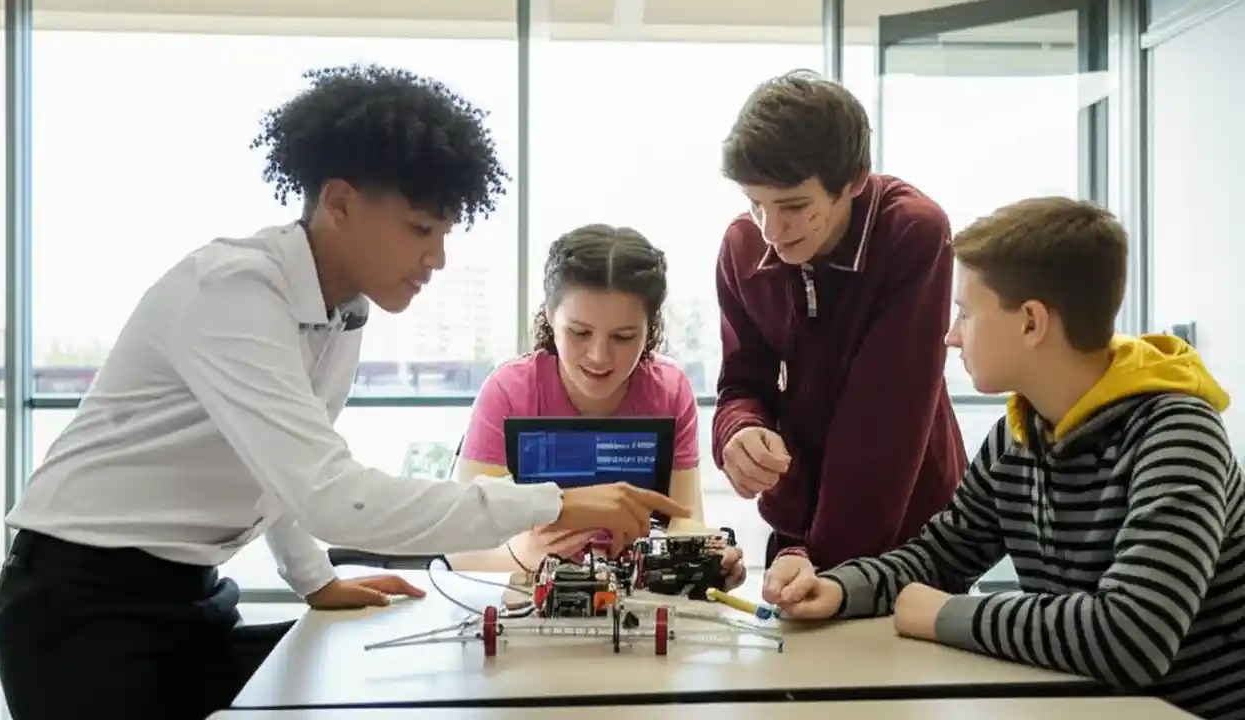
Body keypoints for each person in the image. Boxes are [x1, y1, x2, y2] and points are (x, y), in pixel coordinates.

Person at [0, 65, 687, 720]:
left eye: (444, 233)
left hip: (190, 593)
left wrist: (314, 580)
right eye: (421, 230)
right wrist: (557, 501)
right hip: (79, 606)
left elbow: (281, 471)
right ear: (341, 204)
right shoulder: (233, 291)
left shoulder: (341, 310)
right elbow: (329, 492)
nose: (437, 258)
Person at [767, 197, 1245, 719]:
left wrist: (947, 614)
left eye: (966, 313)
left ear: (1032, 323)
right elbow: (940, 556)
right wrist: (838, 587)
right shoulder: (1018, 435)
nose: (950, 336)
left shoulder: (1177, 434)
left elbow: (1133, 636)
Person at [712, 69, 967, 570]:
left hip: (914, 536)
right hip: (798, 534)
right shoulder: (741, 247)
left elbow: (883, 422)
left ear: (853, 182)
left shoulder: (911, 232)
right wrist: (738, 433)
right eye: (755, 203)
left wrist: (822, 563)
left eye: (793, 206)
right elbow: (740, 385)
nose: (770, 230)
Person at [446, 224, 745, 587]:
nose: (599, 357)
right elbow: (459, 547)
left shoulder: (669, 391)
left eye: (623, 337)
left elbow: (683, 519)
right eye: (579, 332)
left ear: (651, 329)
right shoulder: (509, 391)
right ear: (550, 316)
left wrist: (708, 557)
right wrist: (523, 554)